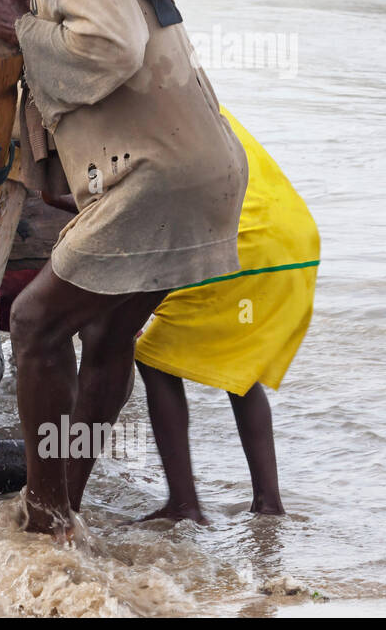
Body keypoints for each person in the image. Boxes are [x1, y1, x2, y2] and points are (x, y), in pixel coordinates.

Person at [0, 0, 248, 538]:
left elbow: (108, 47)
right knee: (108, 340)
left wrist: (17, 25)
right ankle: (60, 506)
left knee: (34, 322)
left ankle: (46, 517)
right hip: (195, 166)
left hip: (156, 176)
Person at [132, 109, 319, 521]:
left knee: (151, 357)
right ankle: (269, 504)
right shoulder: (200, 101)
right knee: (240, 362)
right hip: (293, 240)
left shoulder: (138, 115)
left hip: (242, 238)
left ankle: (184, 504)